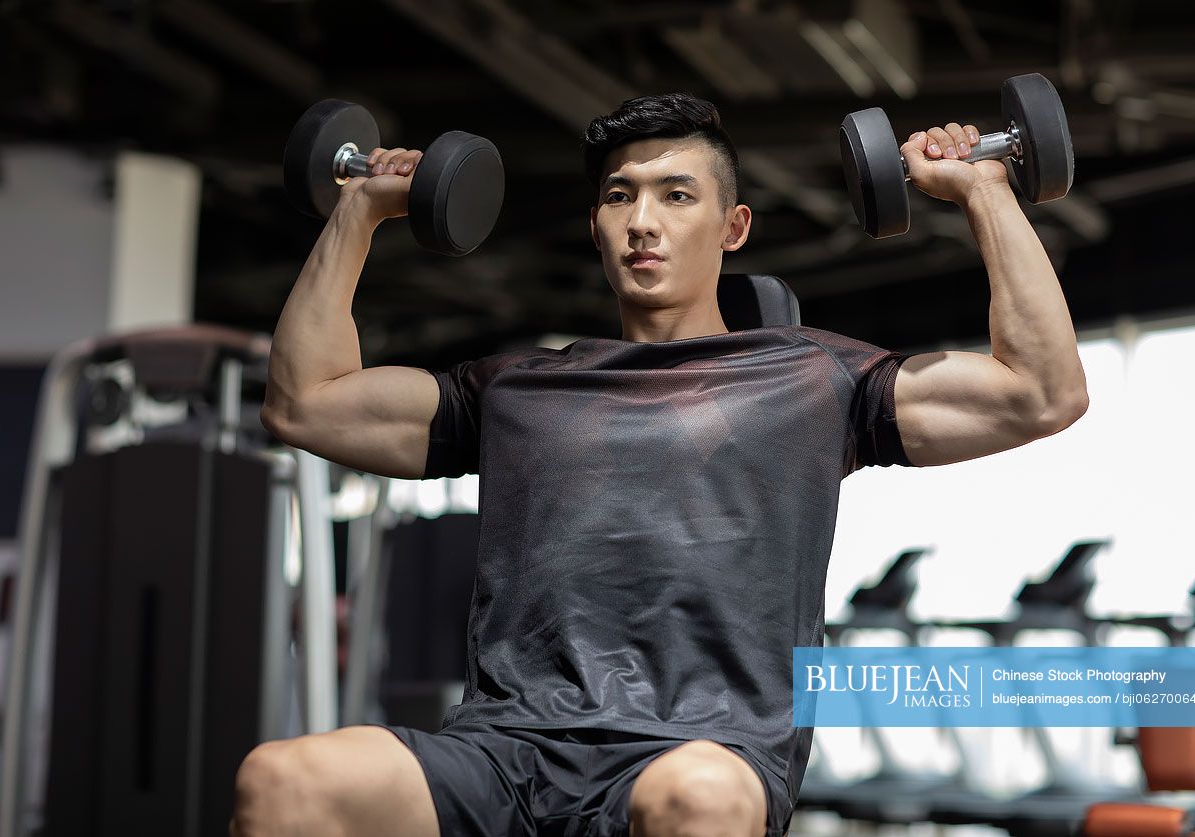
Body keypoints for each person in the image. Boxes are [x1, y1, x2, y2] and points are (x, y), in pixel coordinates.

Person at [234, 92, 1088, 837]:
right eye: (619, 196)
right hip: (507, 748)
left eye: (675, 195)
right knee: (284, 780)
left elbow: (1039, 392)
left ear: (732, 227)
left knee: (699, 797)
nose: (642, 219)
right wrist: (359, 210)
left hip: (701, 749)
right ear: (597, 226)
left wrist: (984, 189)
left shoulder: (811, 377)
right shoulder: (517, 387)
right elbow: (305, 400)